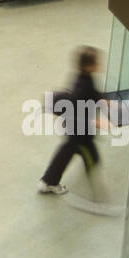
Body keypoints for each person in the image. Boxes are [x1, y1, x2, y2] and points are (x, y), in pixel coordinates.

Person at [38, 46, 105, 195]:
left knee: (66, 152)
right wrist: (97, 123)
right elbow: (78, 113)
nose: (99, 65)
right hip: (79, 131)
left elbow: (92, 93)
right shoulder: (82, 88)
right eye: (96, 62)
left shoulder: (84, 78)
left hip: (76, 130)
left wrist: (103, 100)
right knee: (91, 158)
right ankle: (96, 196)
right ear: (88, 66)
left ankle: (48, 181)